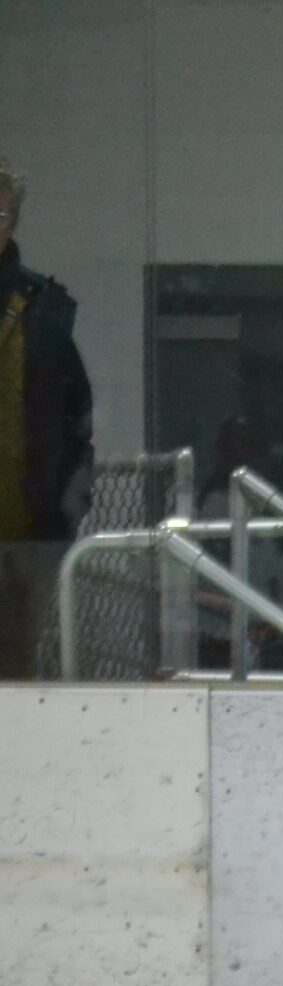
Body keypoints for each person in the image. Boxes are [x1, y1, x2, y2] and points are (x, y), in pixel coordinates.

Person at [0, 154, 95, 678]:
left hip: (24, 538)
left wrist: (65, 510)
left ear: (13, 224)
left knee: (12, 676)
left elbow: (77, 417)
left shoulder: (44, 310)